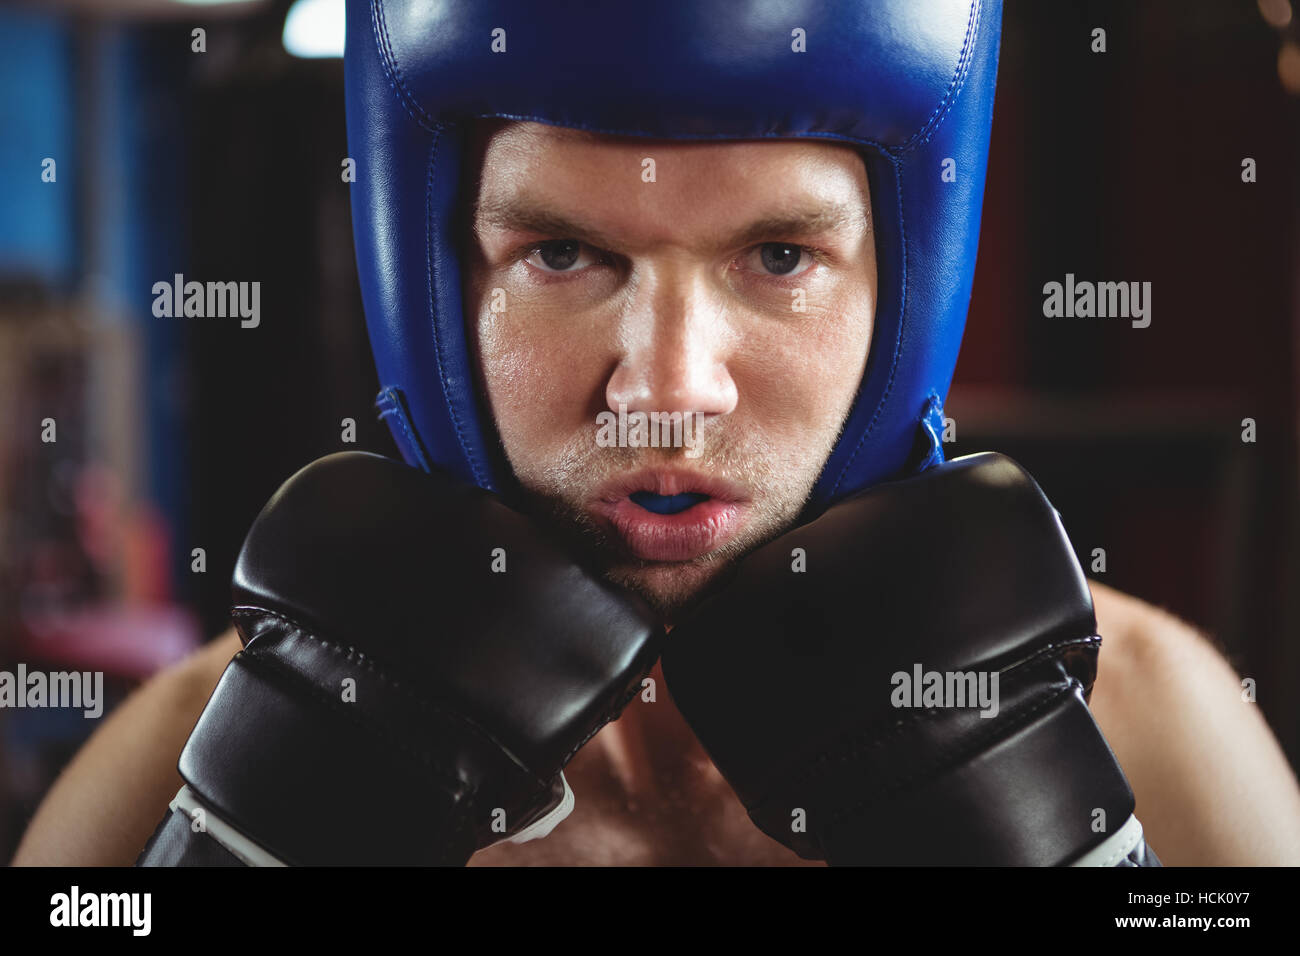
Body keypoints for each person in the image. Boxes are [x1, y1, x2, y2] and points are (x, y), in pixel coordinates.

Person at [15, 0, 1300, 865]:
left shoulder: (1145, 729)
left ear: (908, 283)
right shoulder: (206, 755)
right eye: (562, 252)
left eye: (780, 255)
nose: (671, 387)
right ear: (432, 280)